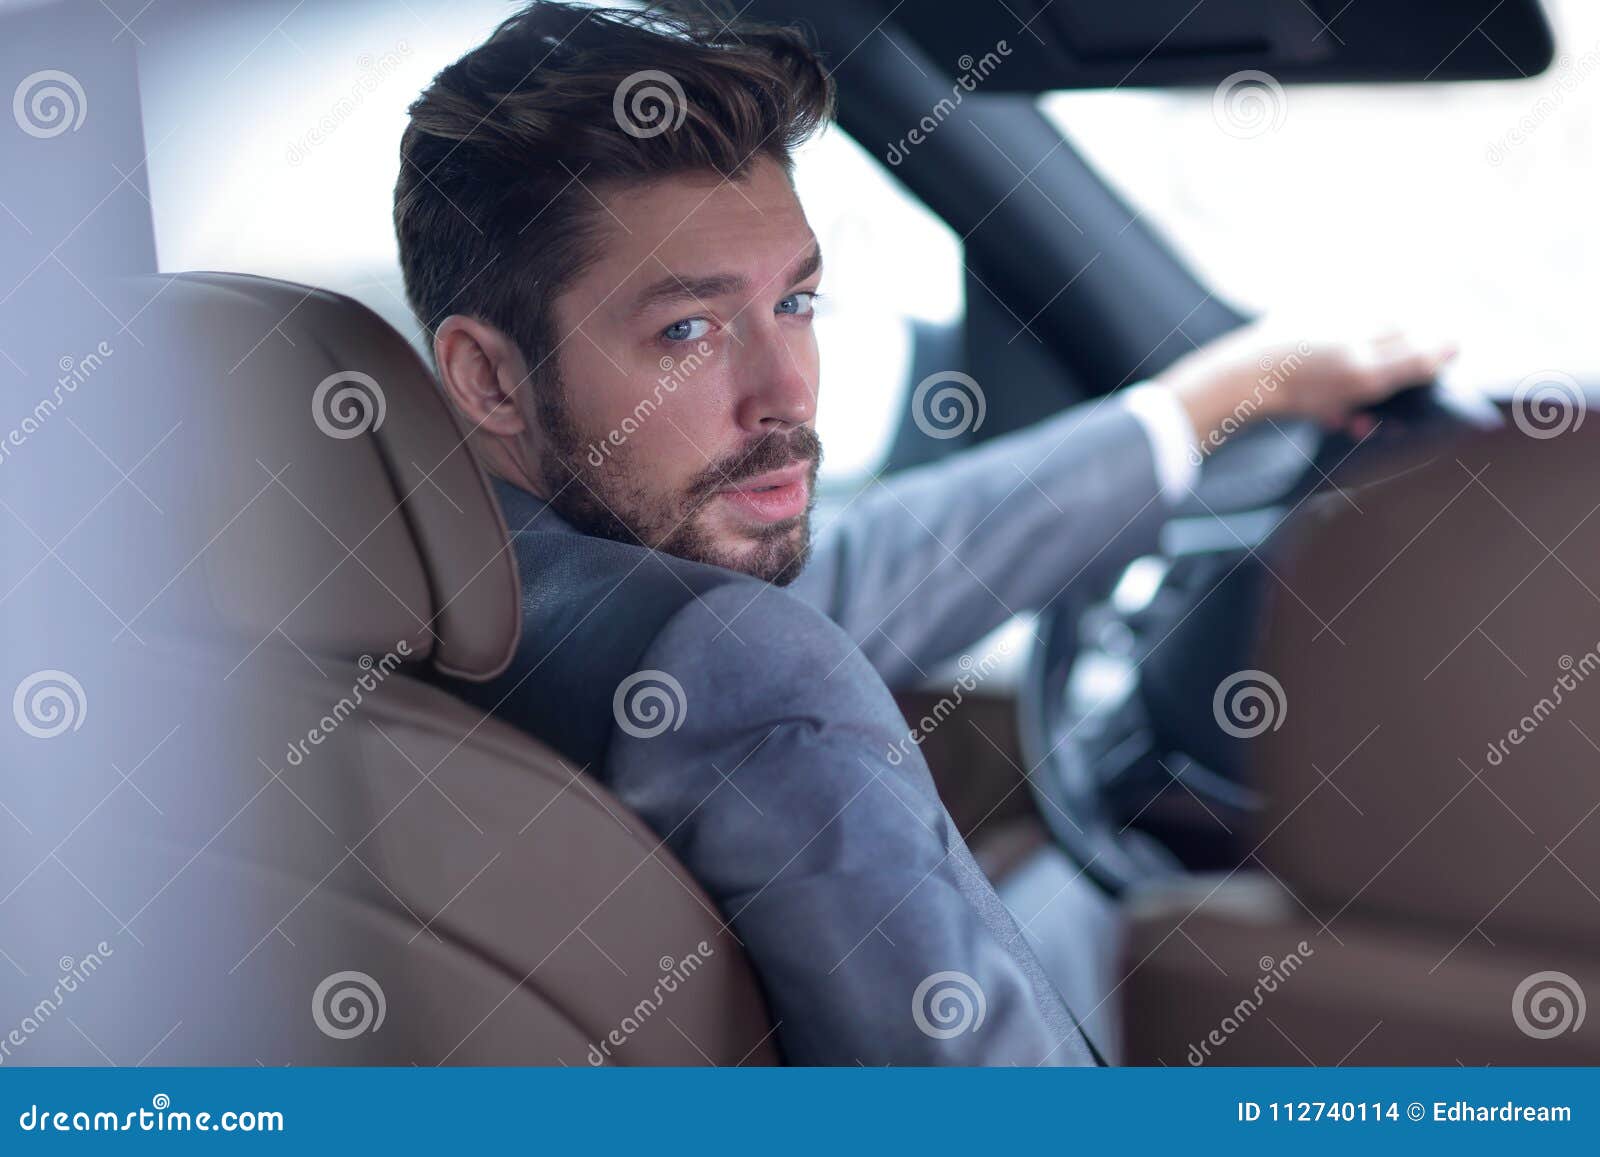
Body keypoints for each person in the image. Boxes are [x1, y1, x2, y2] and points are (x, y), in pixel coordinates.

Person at [397, 2, 1454, 1065]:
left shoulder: (405, 584)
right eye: (686, 329)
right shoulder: (737, 669)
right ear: (487, 375)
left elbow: (852, 582)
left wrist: (1207, 398)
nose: (785, 395)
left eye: (798, 303)